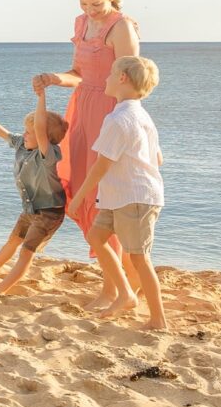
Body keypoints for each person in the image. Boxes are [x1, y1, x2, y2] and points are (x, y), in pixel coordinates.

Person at [32, 0, 140, 241]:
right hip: (81, 109)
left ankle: (120, 269)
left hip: (111, 112)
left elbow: (132, 81)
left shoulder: (121, 26)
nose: (90, 10)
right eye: (83, 4)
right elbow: (79, 74)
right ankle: (108, 266)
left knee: (105, 190)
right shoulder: (81, 23)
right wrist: (53, 79)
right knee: (81, 184)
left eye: (96, 4)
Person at [66, 55, 167, 331]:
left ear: (122, 78)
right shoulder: (140, 114)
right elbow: (158, 158)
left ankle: (158, 320)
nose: (106, 78)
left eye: (111, 74)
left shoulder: (120, 119)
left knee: (140, 257)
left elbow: (101, 165)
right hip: (118, 195)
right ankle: (125, 294)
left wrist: (77, 198)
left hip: (135, 196)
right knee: (96, 236)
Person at [0, 85, 68, 293]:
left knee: (26, 251)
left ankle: (2, 288)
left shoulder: (48, 155)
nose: (24, 134)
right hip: (30, 209)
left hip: (48, 213)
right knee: (13, 240)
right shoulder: (23, 145)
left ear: (42, 138)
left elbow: (40, 128)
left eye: (29, 132)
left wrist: (41, 97)